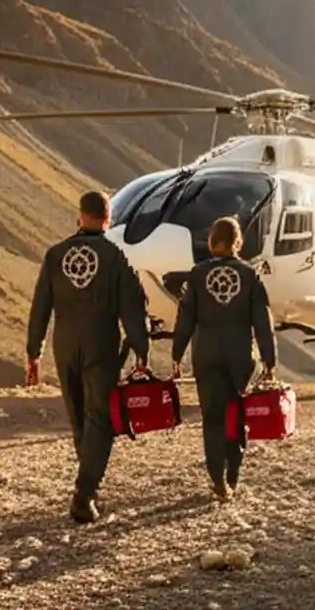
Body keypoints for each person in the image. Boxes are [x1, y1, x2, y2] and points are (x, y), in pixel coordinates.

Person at [26, 190, 150, 524]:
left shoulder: (55, 255)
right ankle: (84, 493)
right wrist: (141, 350)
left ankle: (88, 486)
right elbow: (133, 306)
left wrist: (33, 353)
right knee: (101, 418)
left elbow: (40, 306)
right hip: (100, 343)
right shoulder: (115, 257)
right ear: (108, 220)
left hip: (64, 342)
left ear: (80, 216)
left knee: (80, 417)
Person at [171, 216, 277, 503]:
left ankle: (217, 477)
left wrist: (176, 354)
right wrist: (269, 360)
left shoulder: (196, 275)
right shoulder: (250, 275)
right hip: (240, 354)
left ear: (211, 242)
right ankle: (233, 475)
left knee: (213, 418)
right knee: (238, 415)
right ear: (238, 243)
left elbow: (185, 319)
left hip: (206, 354)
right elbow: (262, 321)